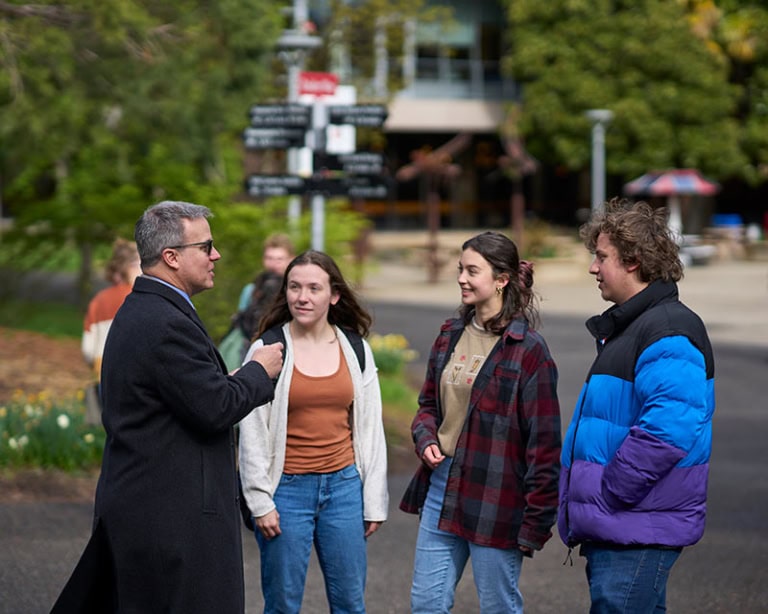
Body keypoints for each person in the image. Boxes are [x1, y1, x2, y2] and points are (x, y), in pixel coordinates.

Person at [51, 200, 284, 614]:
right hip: (170, 520)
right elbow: (215, 408)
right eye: (206, 246)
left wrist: (227, 380)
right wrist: (258, 371)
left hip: (153, 509)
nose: (216, 255)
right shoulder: (164, 322)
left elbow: (189, 395)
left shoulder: (149, 309)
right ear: (172, 257)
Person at [558, 199, 715, 613]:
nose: (592, 268)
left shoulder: (667, 329)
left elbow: (669, 427)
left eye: (601, 257)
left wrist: (612, 490)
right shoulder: (634, 325)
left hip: (635, 524)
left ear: (633, 261)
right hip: (625, 524)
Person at [400, 231, 562, 614]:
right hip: (442, 485)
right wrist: (426, 438)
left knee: (498, 607)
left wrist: (536, 522)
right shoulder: (449, 336)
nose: (461, 278)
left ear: (501, 279)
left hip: (497, 494)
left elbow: (544, 446)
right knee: (426, 604)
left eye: (472, 271)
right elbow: (427, 406)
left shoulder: (529, 351)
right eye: (460, 269)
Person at [238, 249, 389, 614]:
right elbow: (252, 431)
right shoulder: (267, 349)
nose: (302, 297)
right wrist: (260, 502)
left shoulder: (356, 348)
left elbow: (371, 428)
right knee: (282, 605)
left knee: (350, 603)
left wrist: (373, 498)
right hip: (286, 492)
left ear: (334, 295)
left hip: (343, 489)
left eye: (313, 288)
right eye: (294, 287)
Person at [81, 238, 141, 423]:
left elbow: (88, 349)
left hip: (104, 375)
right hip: (137, 378)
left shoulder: (99, 300)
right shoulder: (140, 298)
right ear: (132, 266)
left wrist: (96, 364)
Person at [237, 232, 294, 311]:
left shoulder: (296, 291)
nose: (274, 263)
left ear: (291, 259)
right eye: (269, 258)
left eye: (280, 259)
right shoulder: (250, 290)